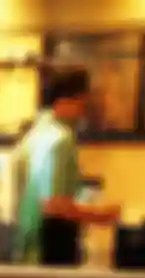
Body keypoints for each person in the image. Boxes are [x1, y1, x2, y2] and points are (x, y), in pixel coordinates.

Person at [11, 67, 120, 265]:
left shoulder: (33, 135)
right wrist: (101, 216)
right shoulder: (60, 139)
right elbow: (54, 205)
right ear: (67, 100)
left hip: (27, 248)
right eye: (82, 101)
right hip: (51, 250)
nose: (83, 110)